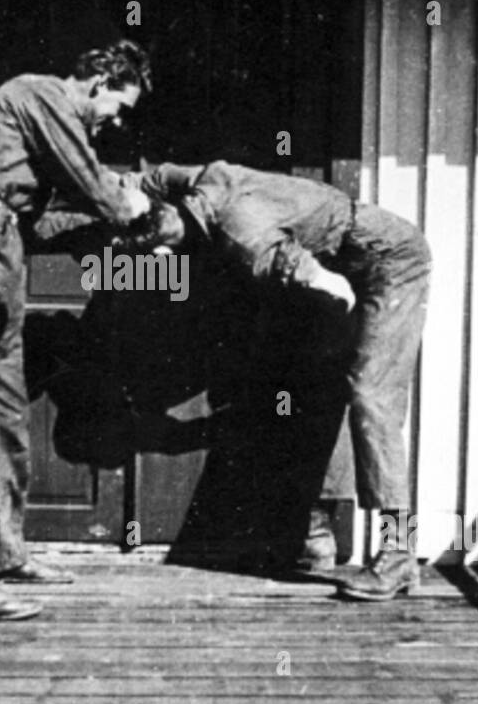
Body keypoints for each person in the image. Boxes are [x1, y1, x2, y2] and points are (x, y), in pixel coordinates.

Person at [0, 40, 153, 620]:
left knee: (5, 407)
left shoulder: (36, 128)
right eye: (118, 107)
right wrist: (143, 206)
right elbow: (98, 190)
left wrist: (108, 224)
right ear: (98, 81)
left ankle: (1, 551)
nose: (115, 122)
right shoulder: (43, 95)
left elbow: (45, 216)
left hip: (1, 241)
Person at [132, 160, 432, 602]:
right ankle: (316, 535)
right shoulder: (199, 180)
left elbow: (332, 290)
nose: (167, 259)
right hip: (347, 256)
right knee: (318, 386)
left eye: (165, 251)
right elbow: (150, 178)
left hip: (391, 263)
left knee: (373, 398)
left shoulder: (244, 238)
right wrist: (122, 192)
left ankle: (398, 555)